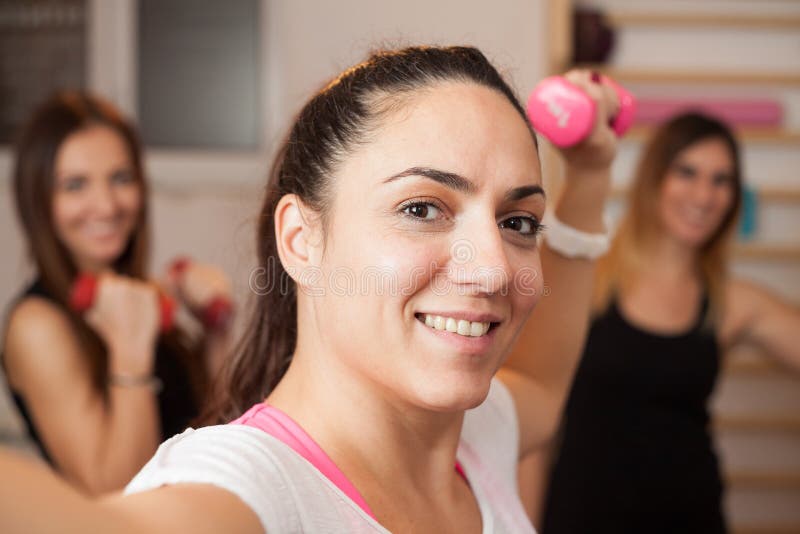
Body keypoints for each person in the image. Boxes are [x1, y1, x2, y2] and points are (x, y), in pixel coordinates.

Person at [0, 45, 618, 533]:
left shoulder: (471, 433)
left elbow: (541, 381)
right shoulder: (256, 486)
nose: (492, 272)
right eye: (423, 209)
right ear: (301, 241)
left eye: (518, 223)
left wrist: (587, 178)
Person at [533, 112, 800, 533]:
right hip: (583, 516)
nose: (704, 193)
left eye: (721, 180)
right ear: (655, 178)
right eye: (688, 172)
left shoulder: (732, 303)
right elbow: (533, 426)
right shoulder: (589, 282)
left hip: (690, 517)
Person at [1, 91, 233, 494]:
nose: (106, 205)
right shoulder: (36, 324)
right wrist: (130, 349)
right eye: (75, 185)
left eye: (120, 179)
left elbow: (218, 433)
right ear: (39, 202)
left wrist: (215, 332)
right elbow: (119, 491)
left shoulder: (136, 298)